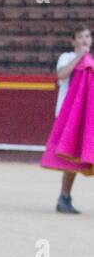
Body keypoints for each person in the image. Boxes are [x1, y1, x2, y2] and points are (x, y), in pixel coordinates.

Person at [42, 25, 91, 213]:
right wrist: (80, 56)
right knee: (70, 158)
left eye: (87, 36)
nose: (85, 40)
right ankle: (64, 197)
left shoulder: (91, 61)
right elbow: (62, 75)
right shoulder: (67, 57)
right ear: (73, 41)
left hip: (85, 118)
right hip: (67, 116)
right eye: (80, 37)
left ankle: (65, 197)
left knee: (77, 158)